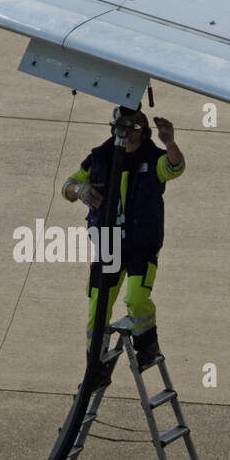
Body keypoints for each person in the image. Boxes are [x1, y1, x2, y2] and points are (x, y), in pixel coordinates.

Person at [61, 107, 185, 384]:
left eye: (134, 129)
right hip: (108, 246)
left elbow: (175, 167)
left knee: (136, 299)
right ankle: (95, 367)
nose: (128, 134)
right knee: (97, 310)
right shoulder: (100, 158)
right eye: (123, 129)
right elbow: (67, 186)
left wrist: (170, 142)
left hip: (141, 246)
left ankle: (147, 348)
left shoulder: (154, 159)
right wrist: (79, 190)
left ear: (143, 133)